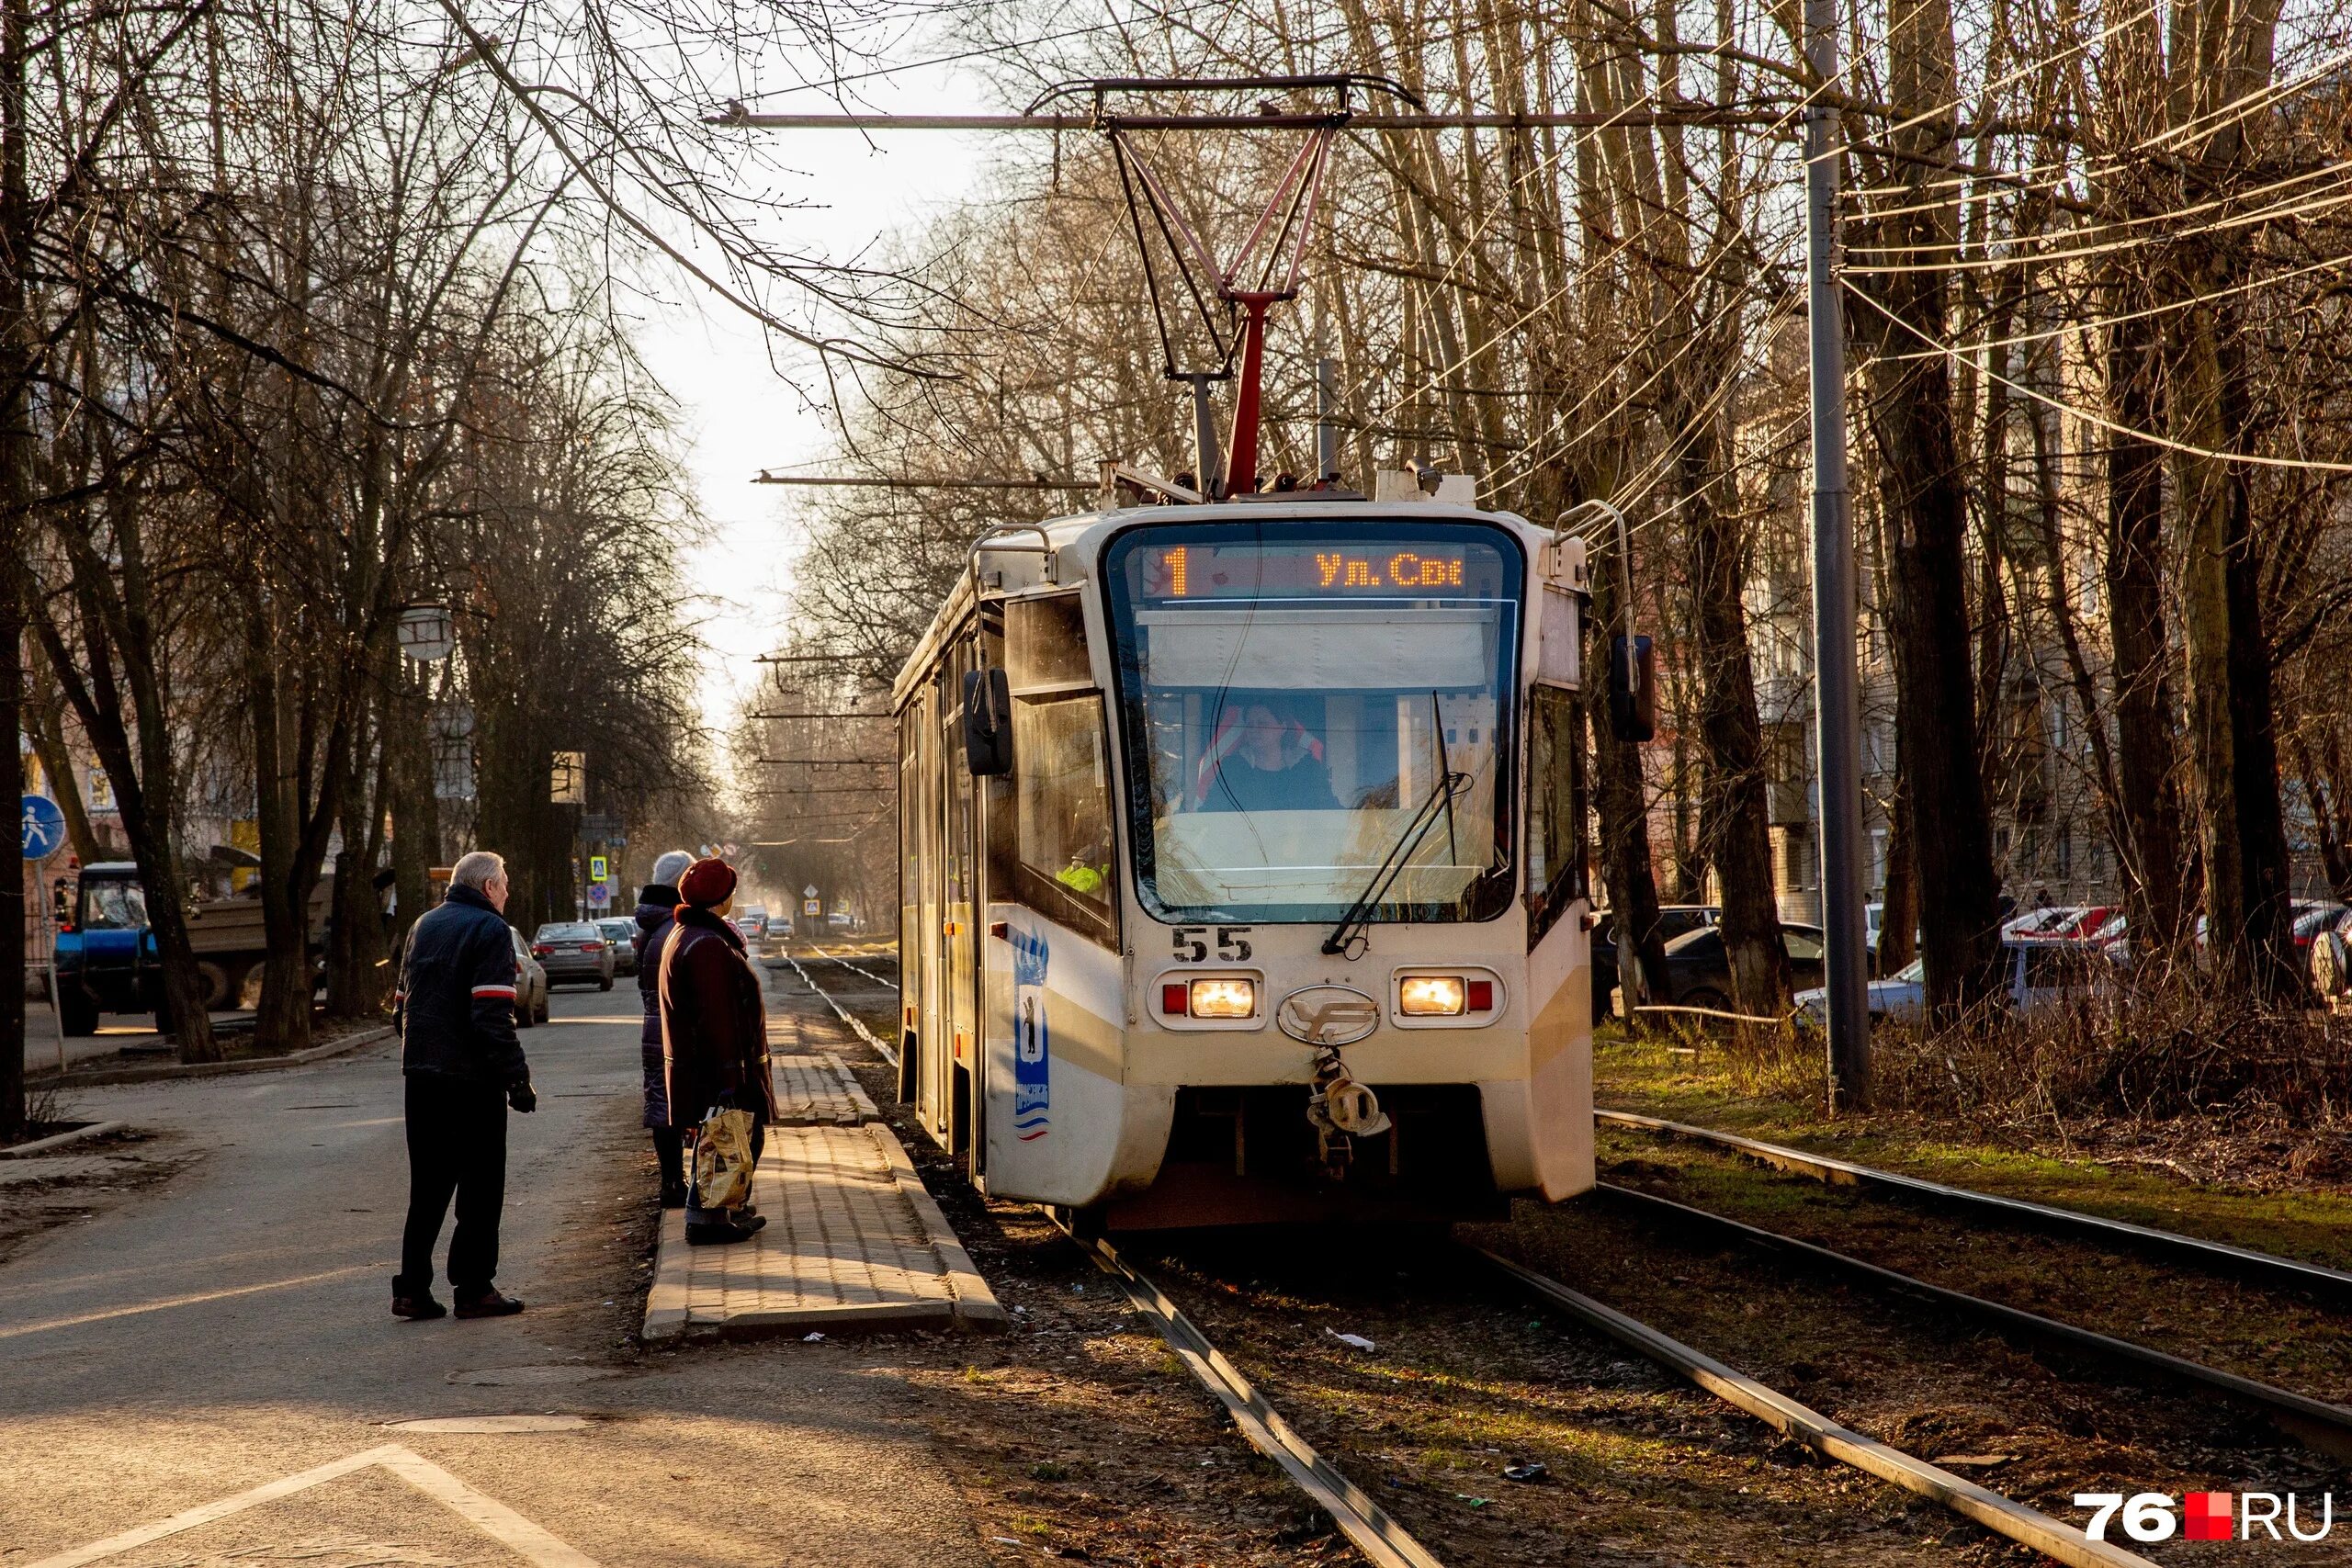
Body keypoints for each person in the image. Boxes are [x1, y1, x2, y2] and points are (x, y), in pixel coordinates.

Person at [390, 850, 534, 1320]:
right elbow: (492, 1014)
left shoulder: (422, 925)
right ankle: (474, 1289)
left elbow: (400, 1010)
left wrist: (425, 1053)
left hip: (422, 1079)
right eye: (505, 884)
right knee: (480, 1186)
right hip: (471, 1083)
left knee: (427, 1189)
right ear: (488, 887)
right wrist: (516, 1079)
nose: (508, 892)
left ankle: (411, 1290)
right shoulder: (490, 930)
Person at [659, 857, 780, 1247]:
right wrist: (731, 1079)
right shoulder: (707, 944)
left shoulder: (688, 935)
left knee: (725, 1140)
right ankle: (706, 1218)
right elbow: (718, 1018)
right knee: (726, 1141)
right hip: (719, 1068)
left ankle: (723, 1211)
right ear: (720, 900)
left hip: (703, 1065)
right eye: (730, 893)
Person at [633, 849, 696, 1209]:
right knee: (674, 1105)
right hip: (673, 1027)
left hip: (653, 1027)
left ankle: (672, 1181)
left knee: (662, 1103)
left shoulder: (652, 926)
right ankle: (676, 1182)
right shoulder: (674, 929)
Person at [1195, 699, 1341, 813]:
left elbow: (1329, 809)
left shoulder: (1307, 768)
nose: (1254, 729)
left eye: (1262, 723)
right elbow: (1211, 810)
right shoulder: (1233, 768)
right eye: (1250, 725)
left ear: (1283, 728)